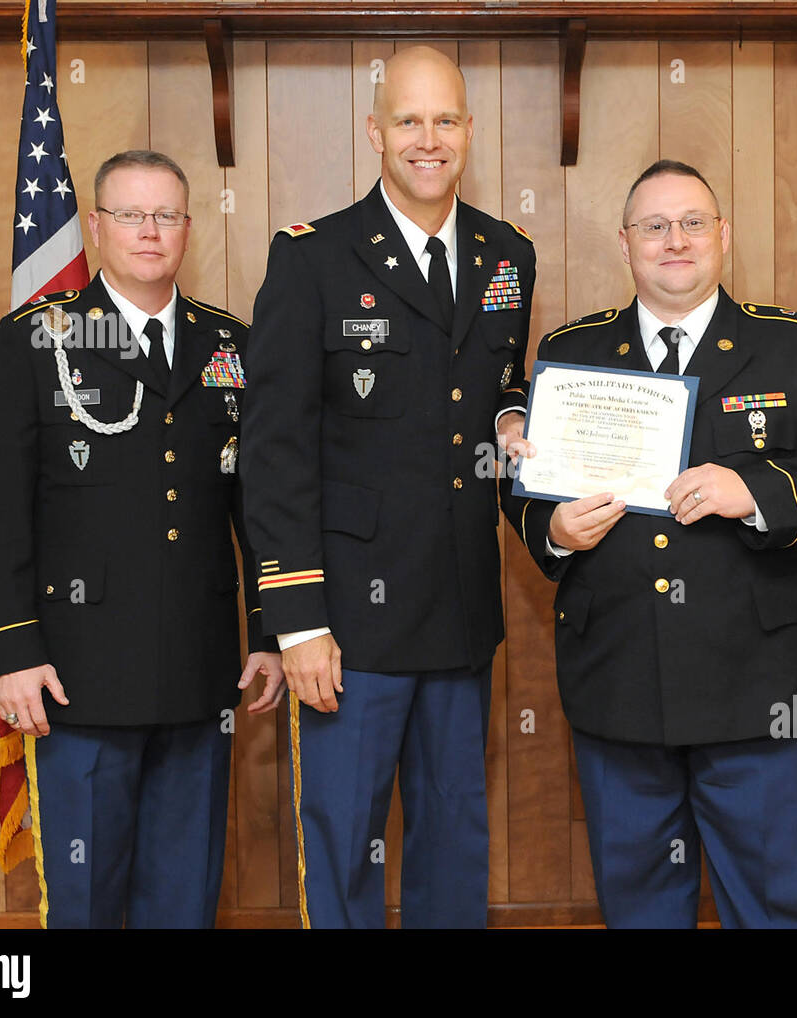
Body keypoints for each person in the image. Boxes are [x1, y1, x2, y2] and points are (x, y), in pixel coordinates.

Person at [501, 160, 797, 928]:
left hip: (761, 691)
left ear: (723, 236)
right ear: (625, 244)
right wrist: (549, 529)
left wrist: (756, 491)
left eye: (691, 223)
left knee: (774, 909)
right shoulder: (574, 353)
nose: (673, 241)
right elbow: (522, 483)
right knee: (639, 909)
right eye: (654, 226)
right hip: (619, 684)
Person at [241, 46, 535, 928]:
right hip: (347, 628)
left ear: (469, 133)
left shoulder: (505, 253)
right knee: (343, 845)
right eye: (409, 120)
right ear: (375, 133)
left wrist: (515, 417)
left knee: (455, 840)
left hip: (459, 608)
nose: (428, 139)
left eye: (446, 120)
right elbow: (273, 450)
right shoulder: (313, 258)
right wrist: (297, 621)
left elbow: (497, 384)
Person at [0, 150, 285, 929]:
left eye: (166, 215)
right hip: (76, 677)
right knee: (85, 900)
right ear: (98, 226)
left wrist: (269, 632)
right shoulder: (36, 339)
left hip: (199, 675)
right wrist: (8, 650)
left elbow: (264, 502)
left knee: (185, 895)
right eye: (131, 215)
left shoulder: (231, 346)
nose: (150, 231)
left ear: (187, 229)